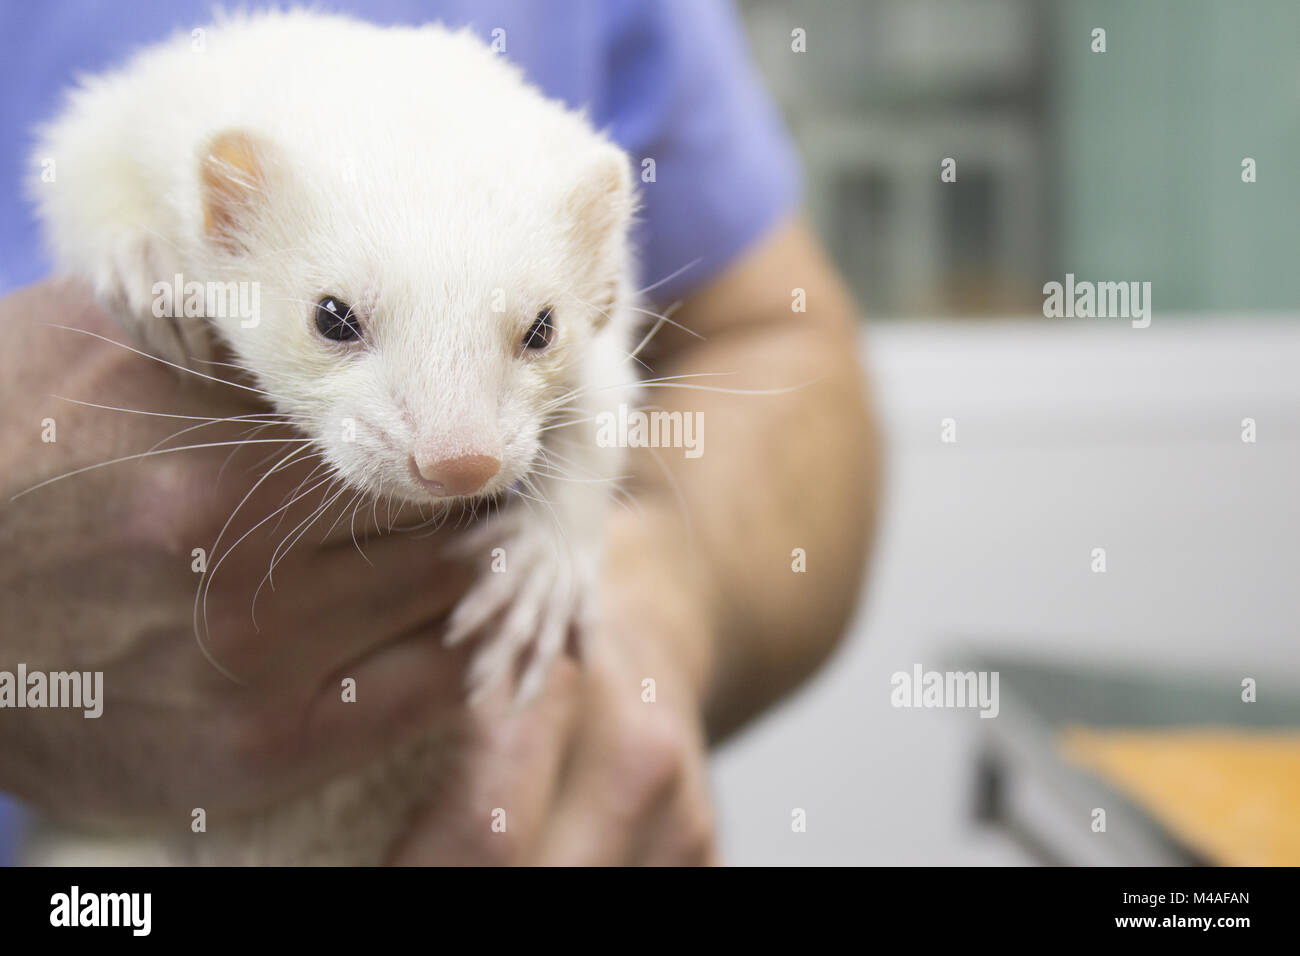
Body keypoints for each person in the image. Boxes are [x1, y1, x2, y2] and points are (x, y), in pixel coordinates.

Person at [0, 0, 878, 864]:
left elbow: (728, 342)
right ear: (223, 218)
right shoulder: (187, 117)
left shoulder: (536, 148)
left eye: (533, 335)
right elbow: (92, 160)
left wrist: (621, 577)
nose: (461, 451)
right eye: (338, 323)